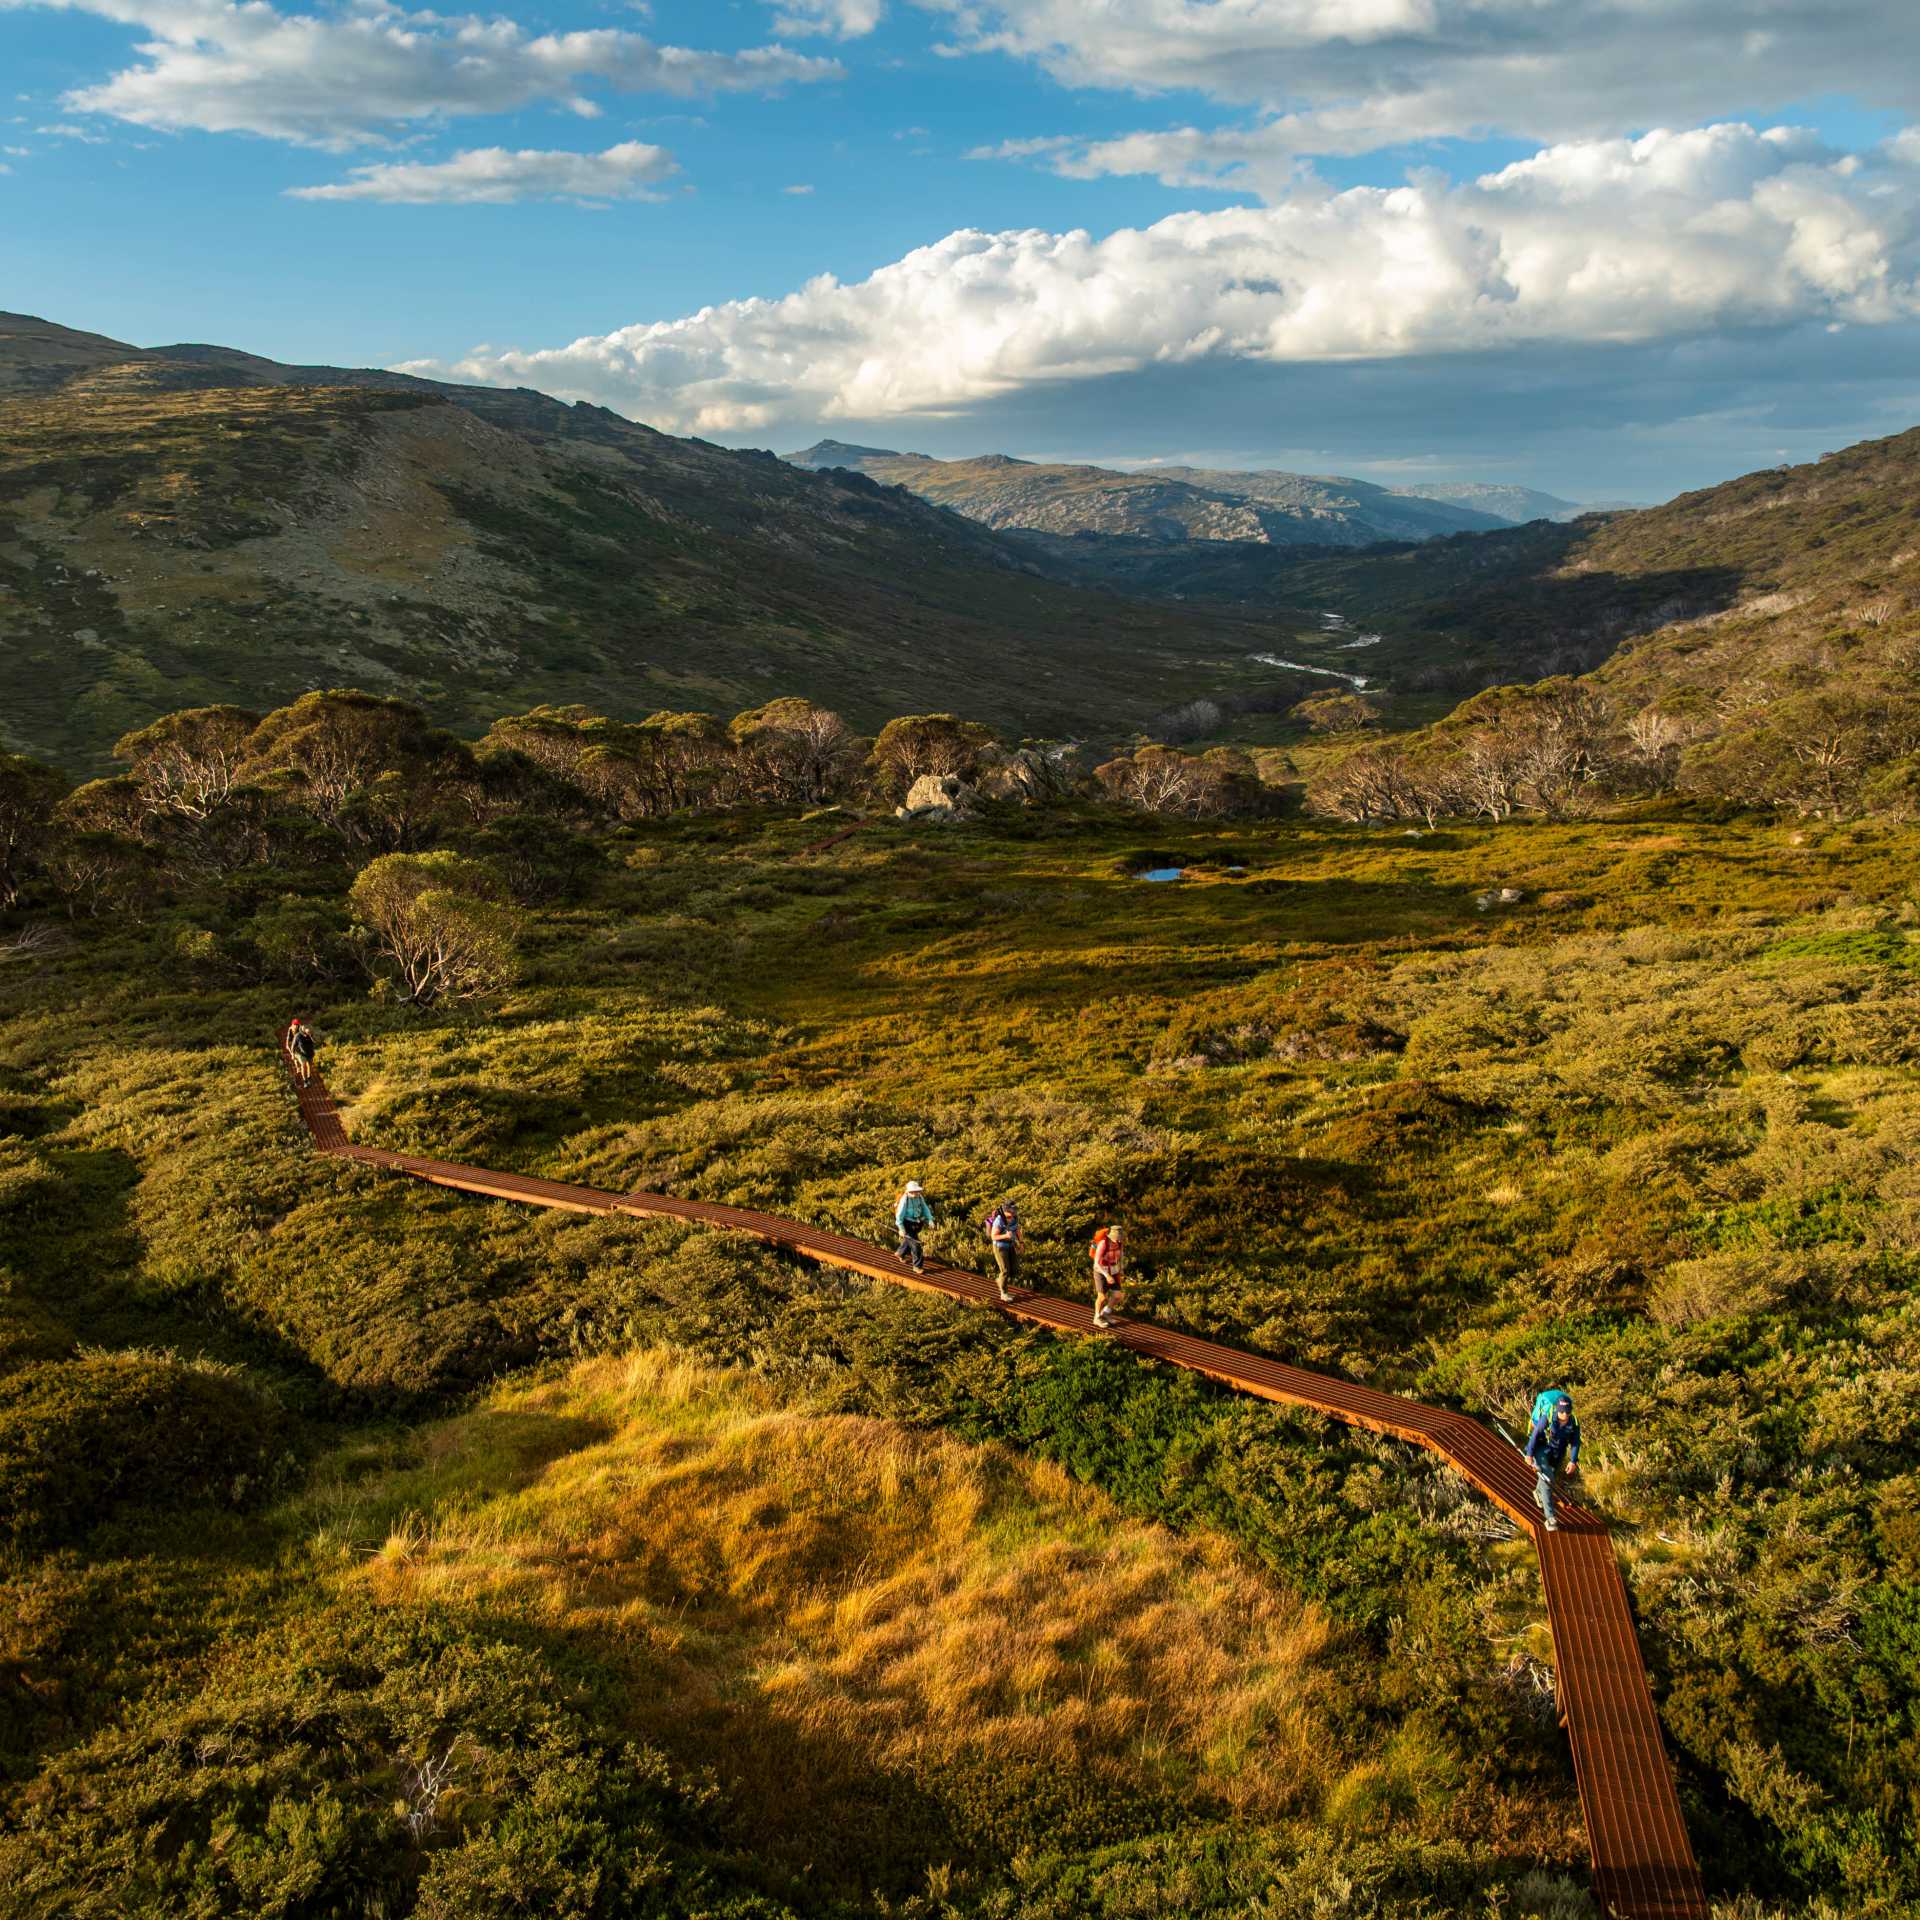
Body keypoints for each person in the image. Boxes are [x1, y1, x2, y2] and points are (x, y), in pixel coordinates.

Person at [1524, 1390, 1581, 1532]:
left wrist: (1573, 1461)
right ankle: (1550, 1518)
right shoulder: (1547, 1417)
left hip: (1557, 1453)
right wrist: (1529, 1454)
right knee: (1548, 1479)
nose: (1565, 1415)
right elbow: (1535, 1435)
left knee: (1547, 1479)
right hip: (1541, 1448)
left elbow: (1575, 1443)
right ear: (1558, 1410)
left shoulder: (1573, 1422)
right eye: (1562, 1412)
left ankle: (1538, 1493)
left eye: (1567, 1412)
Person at [985, 1199, 1022, 1303]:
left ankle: (1000, 1280)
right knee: (1005, 1270)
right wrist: (1005, 1235)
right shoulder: (999, 1220)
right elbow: (993, 1236)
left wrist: (1021, 1242)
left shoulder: (1015, 1217)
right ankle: (1004, 1293)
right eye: (1012, 1211)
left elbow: (1017, 1230)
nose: (1014, 1213)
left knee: (1014, 1269)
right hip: (1000, 1247)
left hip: (1010, 1245)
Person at [895, 1179, 935, 1274]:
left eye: (916, 1191)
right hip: (907, 1224)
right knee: (916, 1245)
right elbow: (899, 1216)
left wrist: (930, 1219)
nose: (915, 1194)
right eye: (912, 1192)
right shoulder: (904, 1200)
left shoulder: (920, 1197)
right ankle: (917, 1266)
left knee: (909, 1240)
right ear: (908, 1192)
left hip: (916, 1223)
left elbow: (925, 1208)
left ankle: (900, 1253)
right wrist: (901, 1229)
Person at [1090, 1224, 1125, 1328]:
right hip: (1100, 1271)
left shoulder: (1120, 1243)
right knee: (1102, 1297)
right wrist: (1106, 1276)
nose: (1118, 1239)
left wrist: (1121, 1269)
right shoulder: (1103, 1244)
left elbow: (1120, 1257)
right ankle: (1097, 1317)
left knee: (1117, 1296)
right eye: (1117, 1237)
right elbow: (1096, 1263)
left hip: (1114, 1271)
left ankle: (1105, 1313)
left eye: (1119, 1237)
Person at [286, 1016, 317, 1086]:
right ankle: (303, 1078)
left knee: (309, 1065)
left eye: (297, 1025)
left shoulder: (305, 1031)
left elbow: (314, 1041)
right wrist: (292, 1054)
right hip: (298, 1049)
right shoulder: (292, 1031)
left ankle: (309, 1079)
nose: (296, 1026)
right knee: (303, 1064)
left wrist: (309, 1035)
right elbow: (289, 1044)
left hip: (307, 1051)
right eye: (295, 1025)